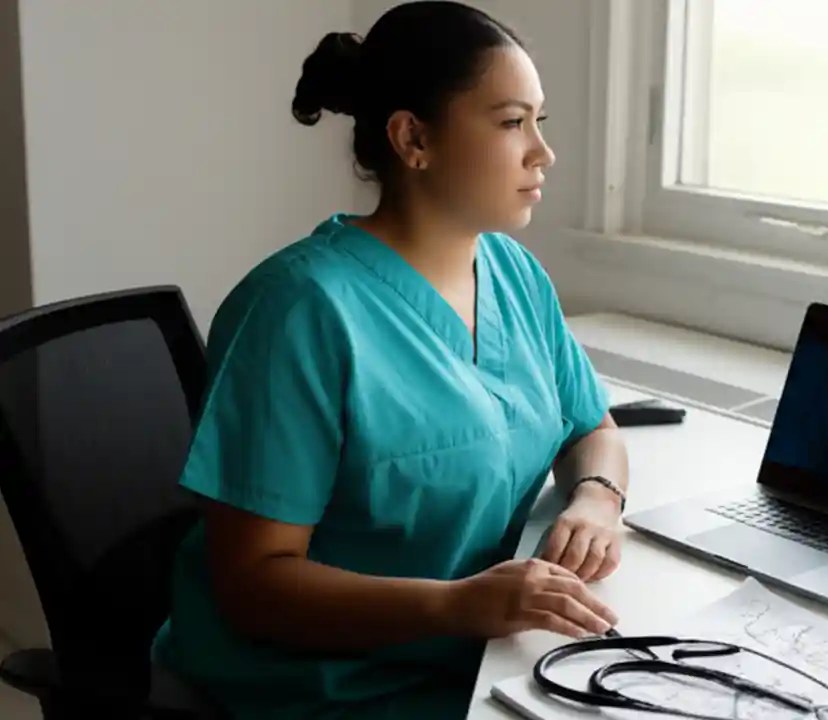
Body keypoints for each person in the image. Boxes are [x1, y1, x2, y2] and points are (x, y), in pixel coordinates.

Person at [150, 3, 630, 718]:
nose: (542, 152)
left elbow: (591, 424)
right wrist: (459, 606)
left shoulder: (514, 273)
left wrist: (597, 498)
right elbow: (253, 584)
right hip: (333, 686)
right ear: (412, 138)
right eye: (510, 122)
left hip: (480, 655)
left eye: (540, 122)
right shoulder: (298, 310)